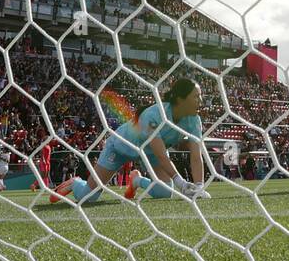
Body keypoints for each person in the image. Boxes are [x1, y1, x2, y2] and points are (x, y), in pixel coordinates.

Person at [51, 78, 208, 205]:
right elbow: (161, 154)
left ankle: (136, 180)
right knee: (88, 197)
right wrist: (181, 183)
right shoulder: (154, 114)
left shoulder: (194, 120)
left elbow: (196, 154)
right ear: (180, 99)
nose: (201, 100)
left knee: (165, 193)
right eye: (196, 96)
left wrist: (199, 187)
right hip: (121, 147)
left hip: (150, 152)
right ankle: (75, 183)